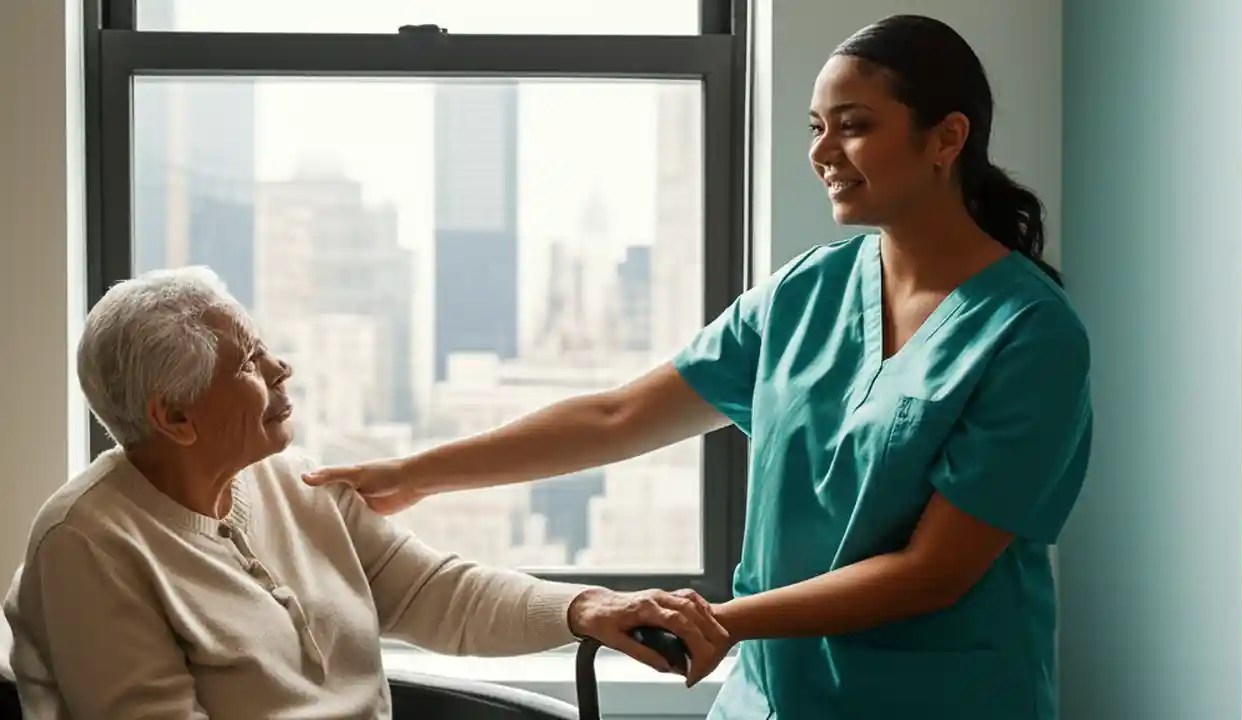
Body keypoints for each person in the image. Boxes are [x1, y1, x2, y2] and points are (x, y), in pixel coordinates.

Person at [304, 14, 1093, 720]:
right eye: (815, 126)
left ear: (947, 138)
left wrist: (717, 620)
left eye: (853, 126)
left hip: (944, 699)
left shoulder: (1029, 334)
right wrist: (417, 474)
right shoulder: (807, 291)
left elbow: (932, 574)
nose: (822, 152)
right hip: (771, 697)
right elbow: (617, 417)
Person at [2, 267, 730, 719]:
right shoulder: (88, 545)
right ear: (174, 417)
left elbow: (433, 593)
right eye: (250, 361)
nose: (281, 367)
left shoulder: (295, 480)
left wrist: (585, 607)